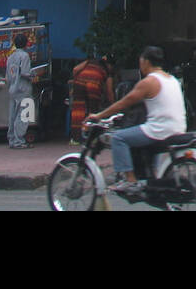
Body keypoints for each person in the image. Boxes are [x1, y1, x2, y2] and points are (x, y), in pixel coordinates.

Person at [87, 45, 186, 196]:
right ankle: (151, 175)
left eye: (141, 60)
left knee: (119, 138)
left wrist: (99, 115)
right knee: (143, 135)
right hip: (178, 128)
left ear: (145, 61)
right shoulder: (171, 79)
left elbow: (123, 103)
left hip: (160, 130)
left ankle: (130, 181)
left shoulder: (149, 82)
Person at [69, 53, 115, 142]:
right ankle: (90, 137)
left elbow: (75, 69)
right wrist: (114, 105)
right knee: (93, 112)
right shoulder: (108, 72)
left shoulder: (90, 61)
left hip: (78, 84)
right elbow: (109, 92)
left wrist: (77, 79)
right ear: (109, 65)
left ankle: (76, 139)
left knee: (78, 111)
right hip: (93, 86)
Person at [6, 33, 35, 150]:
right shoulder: (25, 56)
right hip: (23, 88)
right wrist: (33, 74)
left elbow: (8, 76)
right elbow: (25, 73)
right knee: (24, 115)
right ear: (26, 44)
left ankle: (12, 139)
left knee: (12, 115)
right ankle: (19, 141)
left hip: (12, 88)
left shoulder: (10, 57)